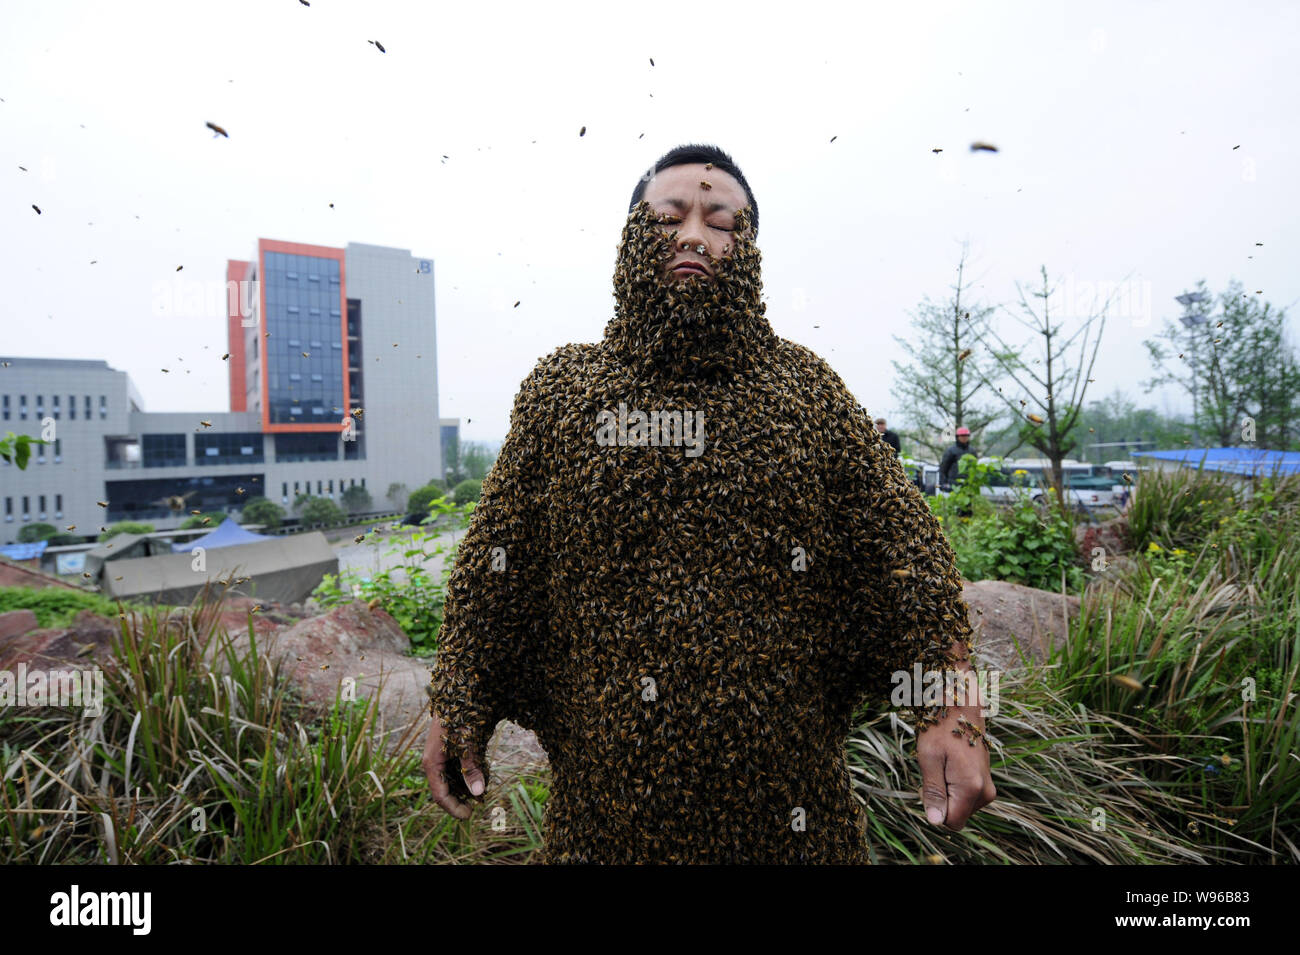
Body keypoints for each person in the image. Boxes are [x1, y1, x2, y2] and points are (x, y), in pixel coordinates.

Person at [423, 144, 994, 864]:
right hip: (603, 828)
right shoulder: (562, 394)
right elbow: (494, 566)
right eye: (668, 217)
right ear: (631, 237)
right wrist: (459, 694)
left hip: (795, 827)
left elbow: (904, 557)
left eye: (722, 221)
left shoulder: (808, 393)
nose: (694, 234)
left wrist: (951, 709)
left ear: (748, 249)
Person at [938, 426, 976, 490]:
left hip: (968, 485)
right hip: (953, 485)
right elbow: (943, 469)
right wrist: (943, 484)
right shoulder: (951, 451)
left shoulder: (972, 451)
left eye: (966, 436)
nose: (964, 437)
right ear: (957, 437)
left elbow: (974, 467)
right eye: (962, 436)